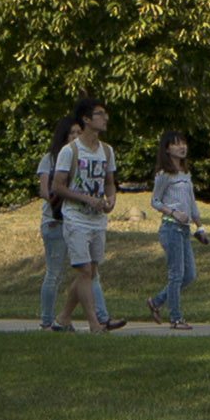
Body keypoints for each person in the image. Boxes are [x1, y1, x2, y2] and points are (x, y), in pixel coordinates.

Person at [42, 96, 122, 332]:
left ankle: (64, 317)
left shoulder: (107, 151)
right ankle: (94, 324)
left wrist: (111, 199)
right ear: (86, 119)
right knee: (84, 270)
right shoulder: (70, 151)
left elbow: (109, 182)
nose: (105, 118)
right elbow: (57, 186)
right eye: (99, 114)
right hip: (75, 217)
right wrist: (85, 198)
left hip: (98, 220)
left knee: (91, 271)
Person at [143, 132, 202, 327]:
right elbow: (155, 200)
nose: (182, 147)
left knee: (189, 274)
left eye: (183, 143)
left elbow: (192, 202)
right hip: (171, 227)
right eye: (176, 144)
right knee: (176, 274)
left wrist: (200, 226)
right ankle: (176, 318)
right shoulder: (164, 175)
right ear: (167, 148)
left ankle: (157, 301)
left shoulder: (185, 174)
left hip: (184, 229)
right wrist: (173, 212)